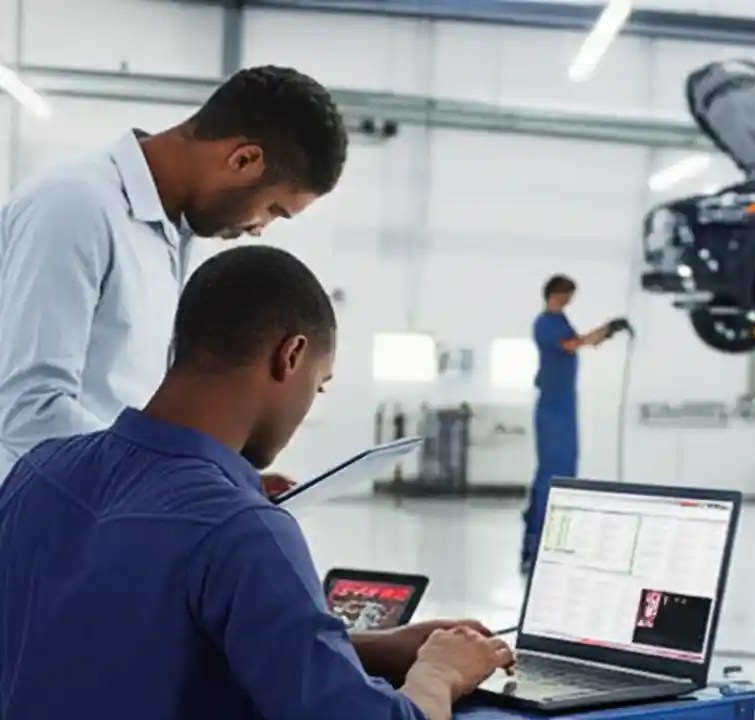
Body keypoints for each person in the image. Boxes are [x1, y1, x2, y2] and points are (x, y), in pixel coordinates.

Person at [0, 246, 512, 719]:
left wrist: (367, 647)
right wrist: (439, 671)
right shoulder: (243, 529)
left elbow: (121, 644)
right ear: (290, 355)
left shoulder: (37, 472)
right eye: (320, 383)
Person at [0, 65, 348, 493]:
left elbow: (140, 411)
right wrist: (179, 484)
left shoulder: (172, 237)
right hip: (35, 525)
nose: (261, 228)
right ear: (244, 159)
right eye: (274, 209)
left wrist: (227, 481)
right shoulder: (76, 205)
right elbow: (26, 409)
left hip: (105, 510)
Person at [522, 275, 630, 573]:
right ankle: (536, 542)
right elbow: (572, 345)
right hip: (553, 408)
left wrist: (606, 333)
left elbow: (580, 343)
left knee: (565, 472)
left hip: (564, 404)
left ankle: (551, 540)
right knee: (553, 475)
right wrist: (606, 329)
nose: (569, 300)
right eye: (567, 295)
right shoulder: (545, 323)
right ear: (554, 294)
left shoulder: (561, 320)